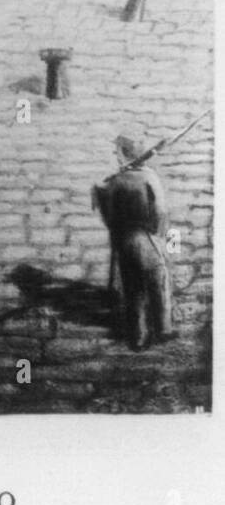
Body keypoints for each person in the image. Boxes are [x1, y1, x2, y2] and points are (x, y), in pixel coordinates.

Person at [92, 135, 178, 350]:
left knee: (133, 290)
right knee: (158, 282)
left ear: (123, 155)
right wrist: (160, 237)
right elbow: (160, 212)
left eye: (117, 152)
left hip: (124, 241)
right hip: (147, 238)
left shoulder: (115, 181)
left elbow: (110, 217)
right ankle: (163, 328)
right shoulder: (150, 178)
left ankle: (138, 337)